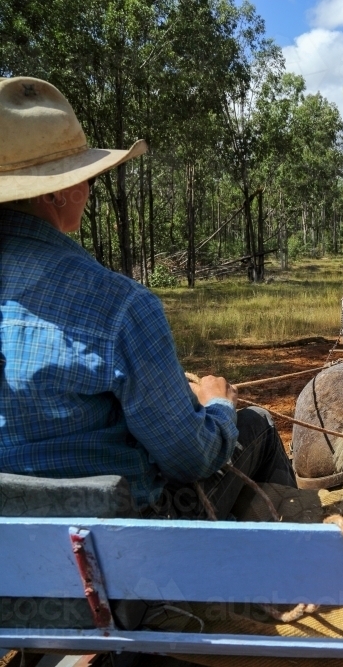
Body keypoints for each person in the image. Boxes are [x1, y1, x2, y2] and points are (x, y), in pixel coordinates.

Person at [0, 76, 295, 519]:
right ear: (58, 191)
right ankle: (282, 574)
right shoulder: (119, 306)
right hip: (120, 552)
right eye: (86, 176)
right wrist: (217, 405)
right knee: (258, 427)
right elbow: (191, 458)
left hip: (16, 555)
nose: (90, 188)